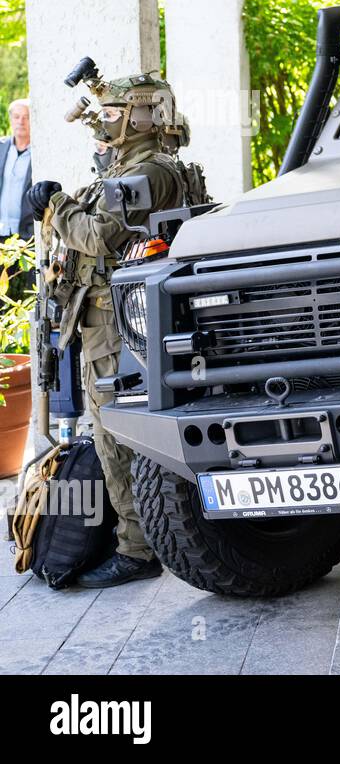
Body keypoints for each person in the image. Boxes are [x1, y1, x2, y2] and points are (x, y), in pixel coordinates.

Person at [26, 70, 202, 588]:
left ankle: (138, 549)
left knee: (113, 437)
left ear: (141, 117)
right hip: (109, 316)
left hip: (115, 322)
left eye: (111, 115)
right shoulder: (137, 165)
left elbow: (98, 236)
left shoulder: (150, 172)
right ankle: (137, 535)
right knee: (109, 433)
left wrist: (56, 205)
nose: (101, 125)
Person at [1, 98, 34, 239]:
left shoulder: (39, 154)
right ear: (10, 119)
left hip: (25, 237)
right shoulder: (1, 147)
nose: (21, 121)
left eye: (26, 117)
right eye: (16, 117)